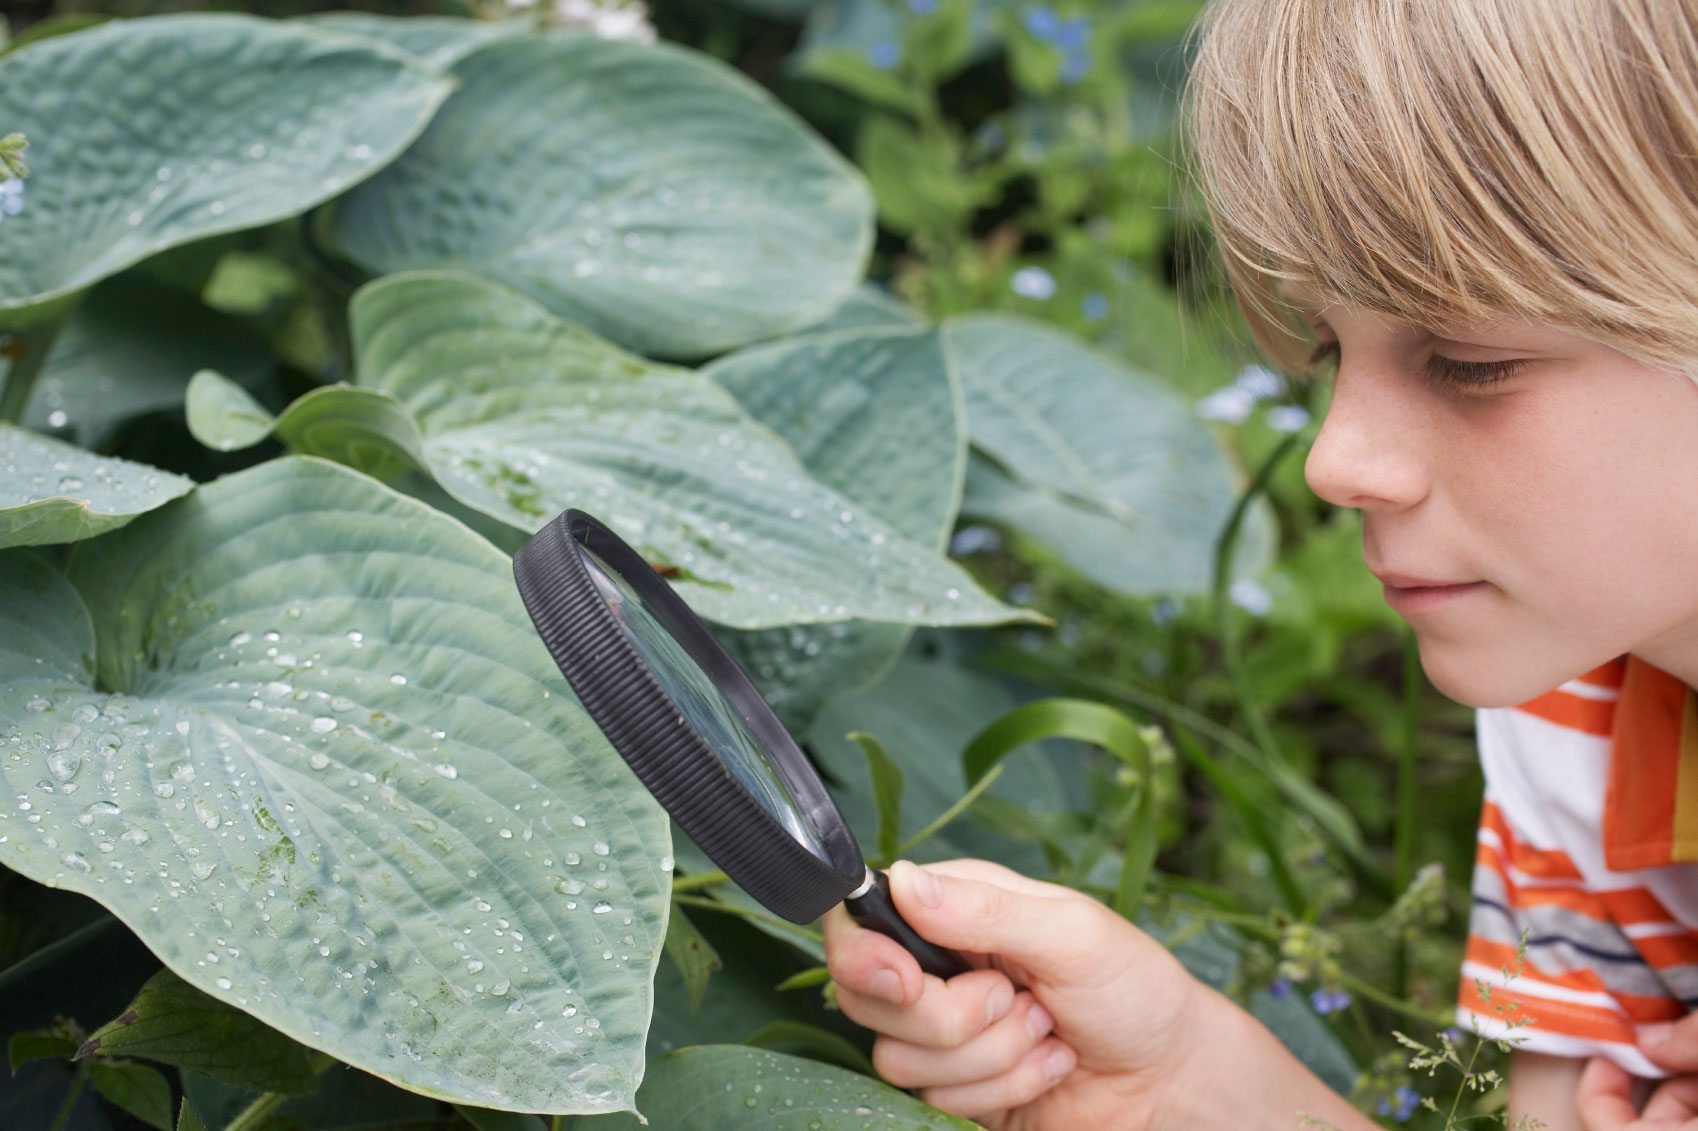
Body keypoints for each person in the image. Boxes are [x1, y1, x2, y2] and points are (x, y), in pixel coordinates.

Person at [819, 1, 1698, 1127]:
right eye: (1328, 348)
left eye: (1472, 362)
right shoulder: (1581, 712)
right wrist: (1173, 1082)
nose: (1335, 459)